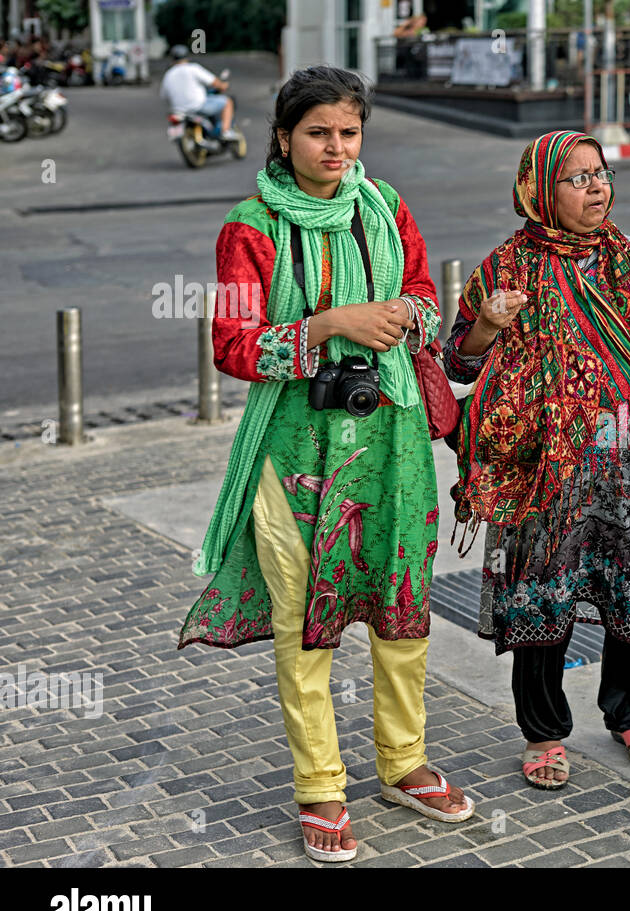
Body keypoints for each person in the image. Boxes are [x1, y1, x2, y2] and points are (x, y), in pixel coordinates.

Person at [178, 65, 475, 863]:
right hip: (294, 453)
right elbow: (232, 346)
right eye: (319, 133)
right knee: (303, 623)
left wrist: (407, 313)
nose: (336, 147)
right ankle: (321, 786)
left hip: (392, 439)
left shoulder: (384, 206)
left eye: (349, 133)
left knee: (402, 604)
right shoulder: (251, 227)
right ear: (284, 137)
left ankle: (403, 763)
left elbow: (421, 291)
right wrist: (332, 323)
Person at [442, 130, 630, 790]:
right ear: (540, 190)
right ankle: (542, 731)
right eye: (579, 178)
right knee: (542, 596)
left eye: (601, 174)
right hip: (545, 473)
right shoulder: (506, 269)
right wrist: (487, 325)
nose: (597, 188)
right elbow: (459, 362)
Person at [160, 44, 238, 140]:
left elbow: (164, 96)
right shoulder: (193, 68)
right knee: (227, 102)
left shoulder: (168, 74)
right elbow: (214, 82)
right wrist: (223, 85)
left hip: (178, 111)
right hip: (197, 106)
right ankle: (225, 131)